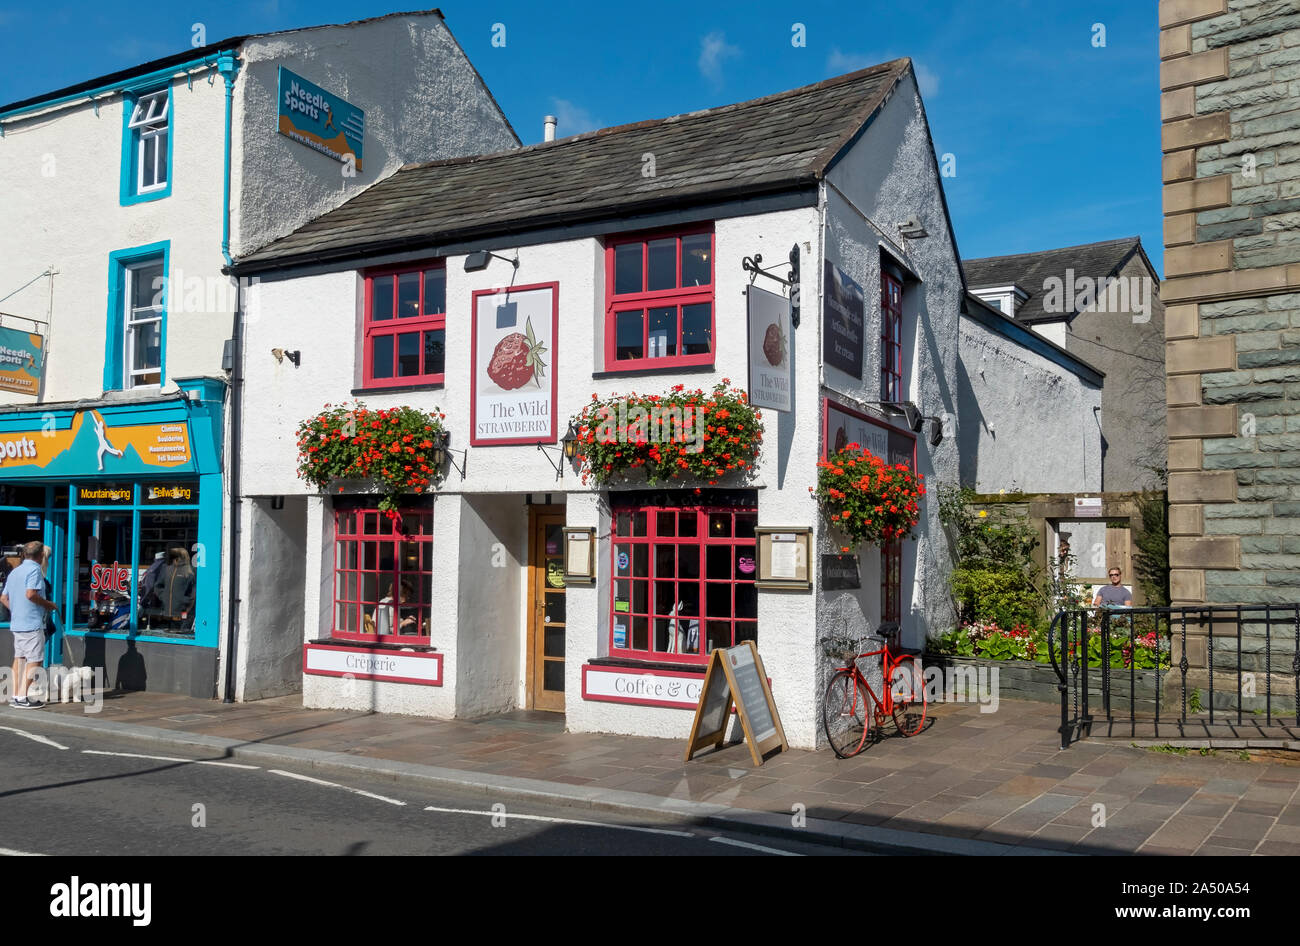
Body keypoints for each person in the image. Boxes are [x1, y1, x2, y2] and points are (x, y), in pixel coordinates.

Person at [0, 541, 58, 708]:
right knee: (35, 660)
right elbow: (30, 594)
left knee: (20, 658)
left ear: (24, 554)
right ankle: (22, 697)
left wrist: (17, 610)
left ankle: (15, 695)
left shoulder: (15, 571)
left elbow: (3, 598)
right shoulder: (34, 570)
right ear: (40, 556)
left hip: (17, 623)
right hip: (31, 623)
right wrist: (48, 604)